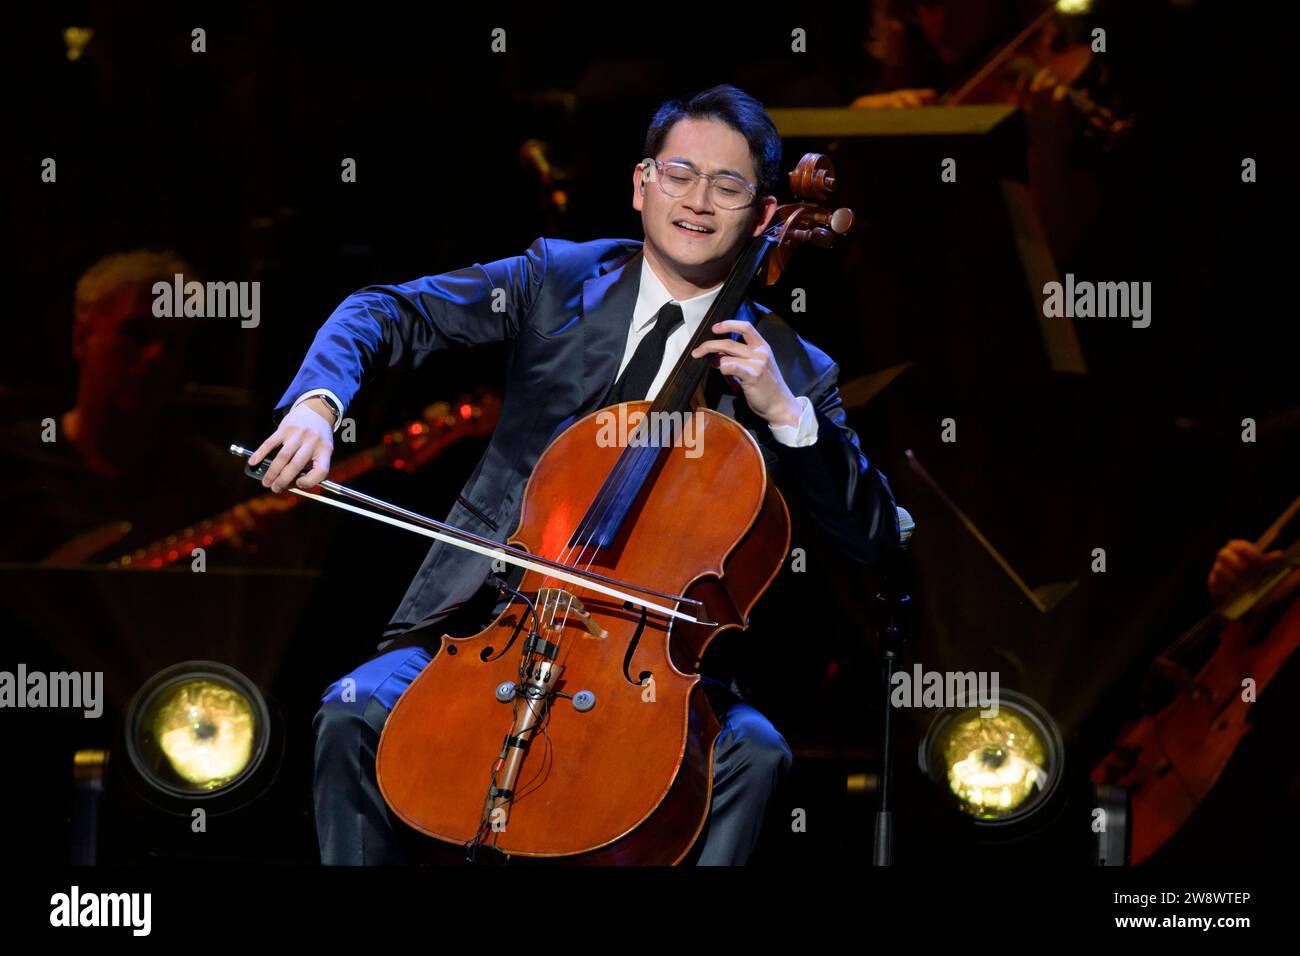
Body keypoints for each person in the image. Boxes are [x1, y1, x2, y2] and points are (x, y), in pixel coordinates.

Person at [249, 84, 900, 865]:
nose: (697, 202)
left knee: (756, 756)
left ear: (763, 216)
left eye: (727, 187)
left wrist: (788, 417)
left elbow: (872, 537)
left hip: (645, 673)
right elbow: (385, 311)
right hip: (487, 621)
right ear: (641, 184)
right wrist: (319, 406)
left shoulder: (794, 367)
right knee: (351, 712)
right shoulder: (555, 279)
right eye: (679, 175)